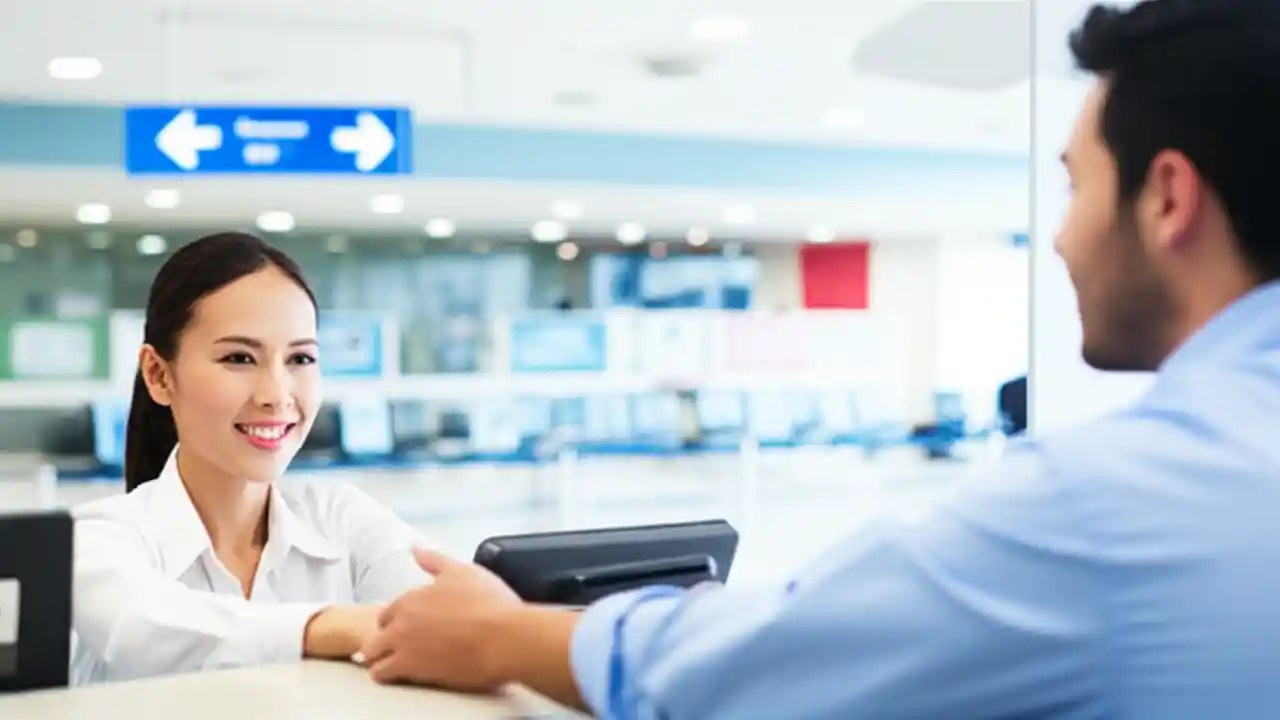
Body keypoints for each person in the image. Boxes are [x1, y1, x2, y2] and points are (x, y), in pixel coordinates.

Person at [356, 1, 1280, 717]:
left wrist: (503, 636)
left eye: (1076, 186)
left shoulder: (1120, 504)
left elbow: (757, 672)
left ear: (1169, 198)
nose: (1061, 242)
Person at [71, 232, 436, 684]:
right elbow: (142, 629)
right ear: (159, 375)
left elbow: (439, 621)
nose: (276, 395)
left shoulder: (343, 521)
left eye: (300, 359)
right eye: (240, 358)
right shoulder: (100, 537)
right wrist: (332, 627)